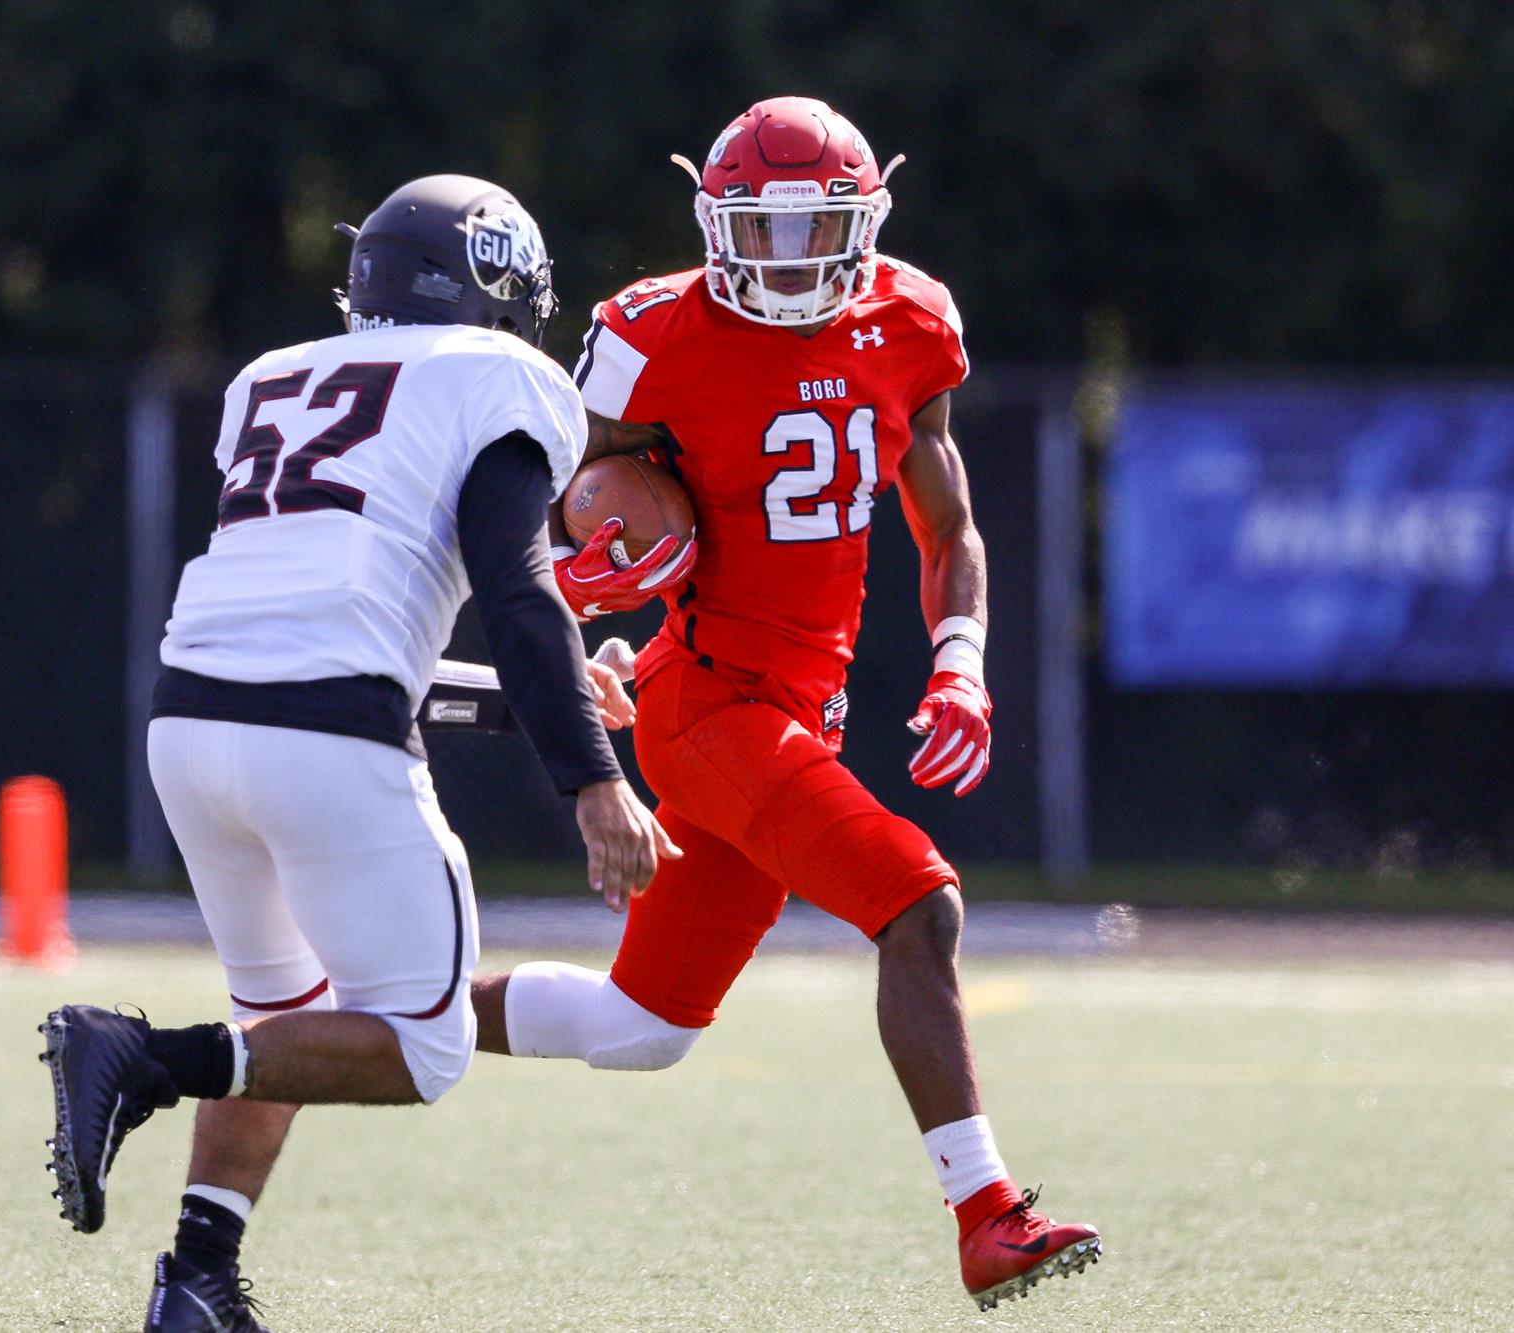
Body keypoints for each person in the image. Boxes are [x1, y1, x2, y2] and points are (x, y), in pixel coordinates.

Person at [469, 96, 1103, 1311]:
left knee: (637, 1027)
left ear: (863, 222)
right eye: (764, 228)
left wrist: (960, 658)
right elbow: (539, 501)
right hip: (705, 707)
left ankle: (386, 1013)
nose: (792, 256)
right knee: (915, 901)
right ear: (717, 225)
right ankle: (986, 1215)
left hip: (795, 711)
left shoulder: (909, 320)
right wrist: (580, 591)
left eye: (818, 226)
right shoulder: (651, 332)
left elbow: (948, 523)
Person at [38, 174, 678, 1332]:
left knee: (277, 1020)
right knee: (423, 1046)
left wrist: (535, 698)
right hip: (318, 740)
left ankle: (196, 1279)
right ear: (498, 292)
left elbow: (321, 623)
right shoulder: (501, 377)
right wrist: (594, 781)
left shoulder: (272, 378)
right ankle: (138, 1054)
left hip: (190, 726)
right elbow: (518, 592)